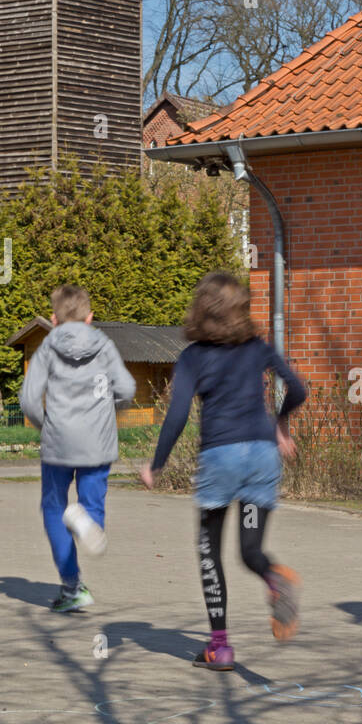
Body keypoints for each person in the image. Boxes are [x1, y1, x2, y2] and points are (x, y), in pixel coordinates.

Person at [140, 271, 307, 672]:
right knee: (250, 550)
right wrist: (281, 425)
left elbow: (178, 414)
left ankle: (220, 647)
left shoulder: (193, 357)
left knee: (209, 551)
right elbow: (298, 388)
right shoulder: (257, 347)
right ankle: (273, 578)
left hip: (222, 460)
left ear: (201, 310)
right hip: (262, 457)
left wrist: (157, 463)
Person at [20, 284, 135, 613]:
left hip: (58, 443)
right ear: (90, 317)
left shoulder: (46, 348)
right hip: (97, 443)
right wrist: (111, 410)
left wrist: (45, 425)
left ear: (54, 319)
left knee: (54, 510)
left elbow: (28, 399)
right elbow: (126, 387)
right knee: (91, 507)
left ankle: (72, 588)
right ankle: (83, 518)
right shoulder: (105, 346)